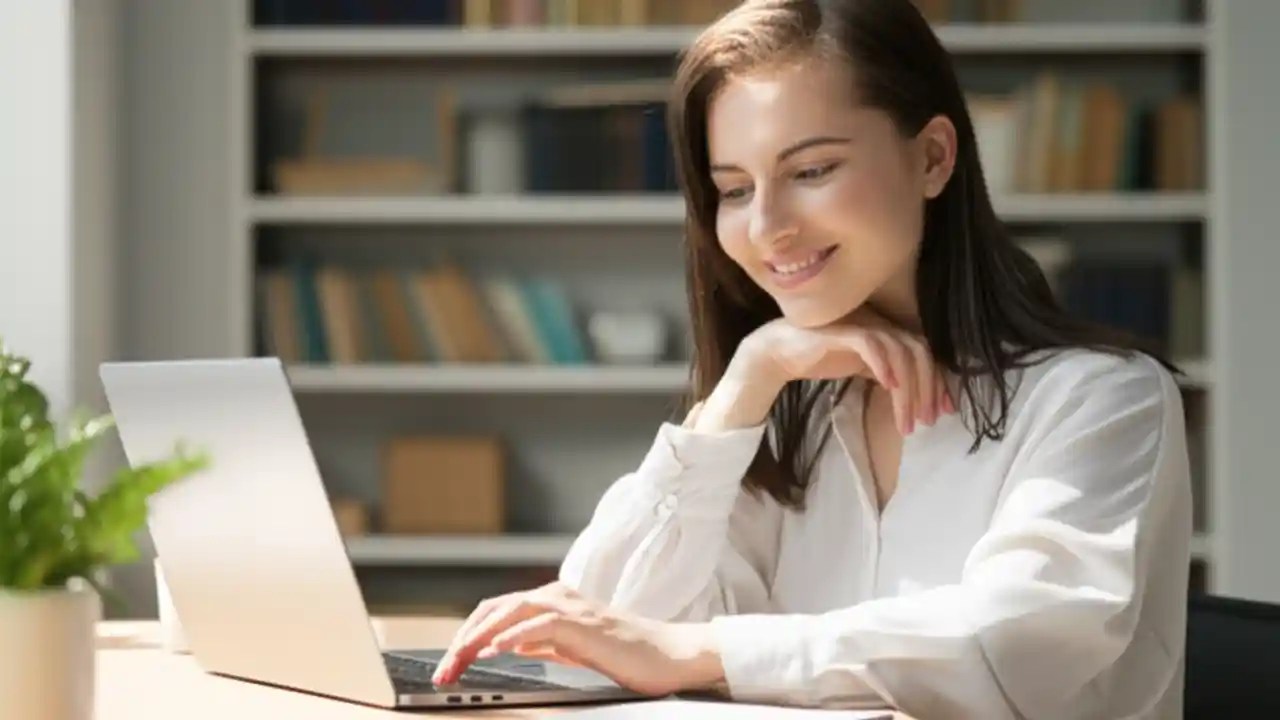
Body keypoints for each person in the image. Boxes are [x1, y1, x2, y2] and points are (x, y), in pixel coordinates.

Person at [432, 0, 1193, 717]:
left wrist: (700, 651)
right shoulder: (793, 403)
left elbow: (1010, 645)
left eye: (811, 171)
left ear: (932, 158)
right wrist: (741, 388)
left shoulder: (1103, 400)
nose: (767, 229)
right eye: (734, 189)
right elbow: (607, 634)